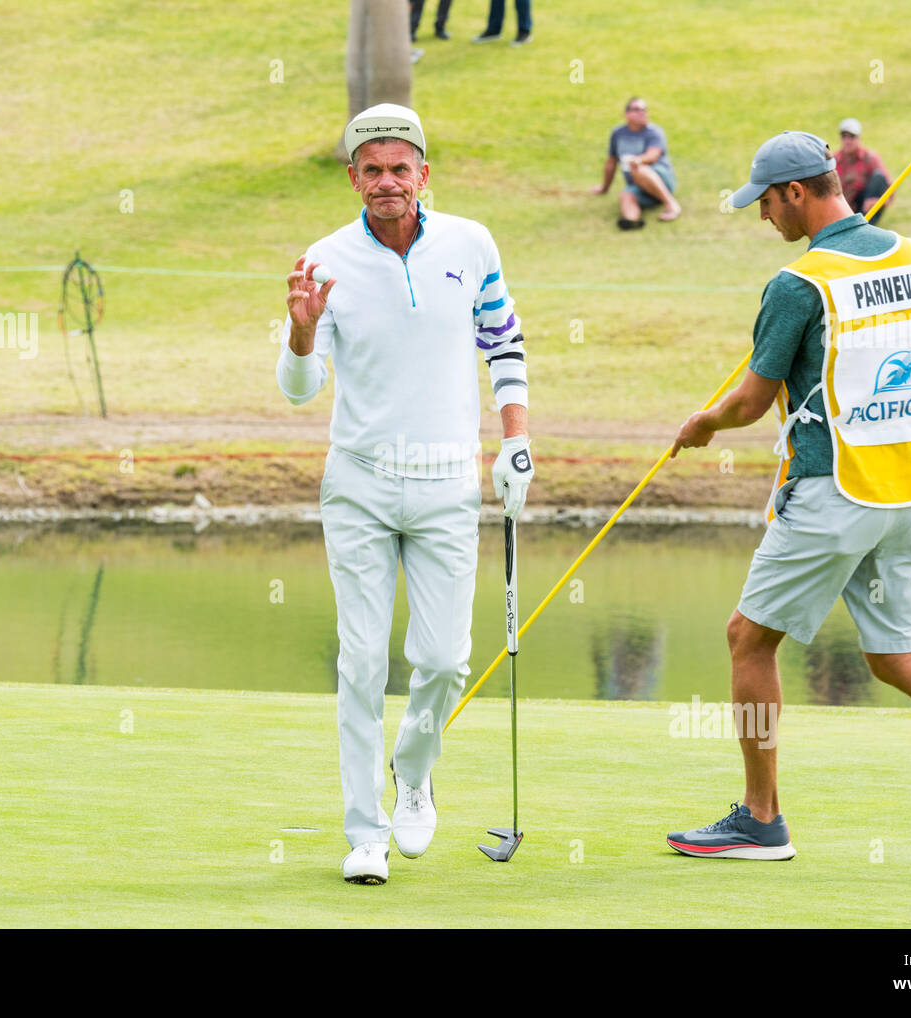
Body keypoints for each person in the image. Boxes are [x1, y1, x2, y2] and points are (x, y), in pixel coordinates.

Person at [666, 130, 911, 875]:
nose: (763, 220)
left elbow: (754, 402)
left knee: (748, 640)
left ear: (796, 192)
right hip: (905, 487)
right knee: (896, 655)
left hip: (832, 491)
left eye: (766, 204)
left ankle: (760, 821)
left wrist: (703, 426)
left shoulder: (797, 283)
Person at [278, 103, 534, 885]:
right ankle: (365, 833)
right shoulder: (323, 261)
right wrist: (298, 331)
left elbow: (503, 342)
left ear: (424, 173)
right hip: (357, 482)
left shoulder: (472, 243)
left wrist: (517, 439)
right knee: (360, 662)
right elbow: (299, 388)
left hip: (448, 482)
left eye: (400, 168)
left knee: (445, 660)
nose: (387, 182)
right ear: (352, 177)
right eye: (371, 169)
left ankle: (414, 770)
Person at [593, 97, 681, 229]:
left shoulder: (654, 132)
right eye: (637, 109)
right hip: (639, 187)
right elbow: (611, 162)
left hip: (662, 181)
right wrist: (604, 188)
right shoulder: (618, 134)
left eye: (644, 109)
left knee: (638, 169)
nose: (642, 112)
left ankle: (671, 205)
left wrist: (638, 160)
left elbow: (653, 155)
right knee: (626, 196)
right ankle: (632, 221)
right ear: (626, 115)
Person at [834, 118, 892, 224]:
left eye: (851, 137)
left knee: (879, 177)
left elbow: (889, 185)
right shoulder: (834, 160)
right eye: (844, 136)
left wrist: (879, 202)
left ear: (858, 138)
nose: (847, 141)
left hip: (864, 205)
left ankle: (866, 224)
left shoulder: (870, 157)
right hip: (844, 208)